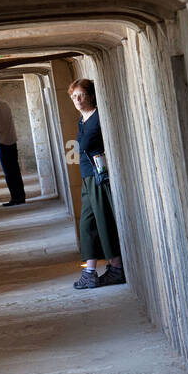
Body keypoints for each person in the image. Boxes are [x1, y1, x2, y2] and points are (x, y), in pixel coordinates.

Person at [68, 78, 125, 289]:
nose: (77, 100)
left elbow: (81, 145)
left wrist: (79, 148)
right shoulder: (82, 120)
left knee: (102, 222)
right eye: (74, 96)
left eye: (81, 95)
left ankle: (116, 267)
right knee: (87, 224)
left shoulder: (97, 117)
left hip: (97, 176)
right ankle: (90, 271)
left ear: (91, 95)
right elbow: (77, 148)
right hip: (87, 177)